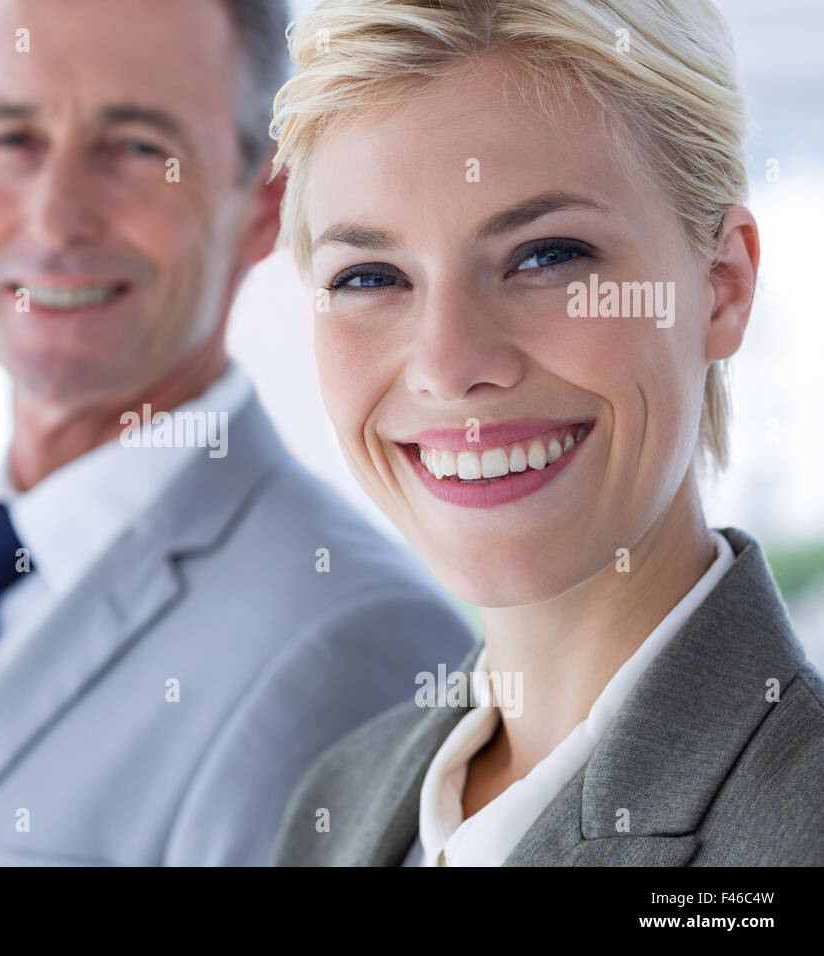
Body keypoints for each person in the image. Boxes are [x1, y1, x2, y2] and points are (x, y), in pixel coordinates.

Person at [0, 0, 474, 867]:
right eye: (11, 141)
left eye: (139, 148)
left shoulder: (358, 637)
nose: (54, 218)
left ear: (264, 205)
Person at [269, 0, 824, 866]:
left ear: (721, 286)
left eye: (547, 255)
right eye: (370, 275)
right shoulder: (336, 797)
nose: (448, 364)